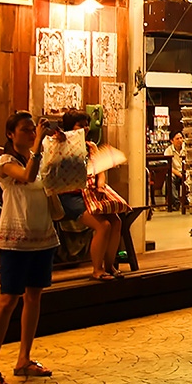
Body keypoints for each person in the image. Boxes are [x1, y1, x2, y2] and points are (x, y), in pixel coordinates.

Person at [0, 111, 60, 384]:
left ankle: (23, 358)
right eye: (25, 130)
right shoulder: (5, 162)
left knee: (34, 297)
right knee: (8, 299)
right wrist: (40, 142)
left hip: (42, 236)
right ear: (11, 134)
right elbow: (26, 177)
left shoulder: (41, 157)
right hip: (16, 238)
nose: (30, 133)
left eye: (33, 129)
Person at [59, 110, 126, 281]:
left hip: (91, 192)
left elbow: (99, 170)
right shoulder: (60, 145)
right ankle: (97, 269)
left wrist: (100, 185)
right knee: (103, 225)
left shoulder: (91, 146)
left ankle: (110, 266)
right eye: (80, 125)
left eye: (86, 124)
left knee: (116, 221)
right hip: (70, 196)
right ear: (70, 127)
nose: (86, 128)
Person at [166, 131, 185, 205]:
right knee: (169, 178)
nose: (180, 140)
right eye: (177, 139)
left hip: (186, 172)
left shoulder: (186, 148)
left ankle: (187, 200)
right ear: (172, 141)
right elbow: (168, 167)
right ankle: (176, 202)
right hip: (175, 173)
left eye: (181, 138)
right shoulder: (168, 150)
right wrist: (179, 174)